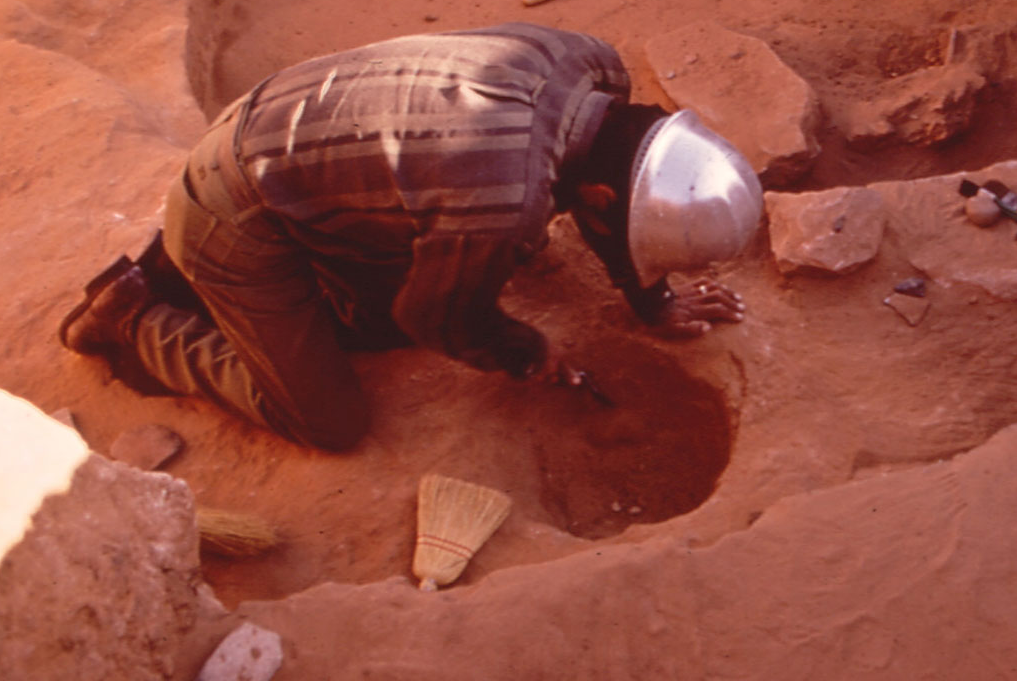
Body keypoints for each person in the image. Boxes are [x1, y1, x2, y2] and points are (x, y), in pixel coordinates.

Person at [58, 22, 762, 452]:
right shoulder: (502, 204)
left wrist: (651, 300)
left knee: (403, 302)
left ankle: (214, 275)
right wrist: (522, 350)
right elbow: (435, 319)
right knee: (330, 420)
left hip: (287, 134)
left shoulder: (589, 64)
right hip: (239, 207)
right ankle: (137, 317)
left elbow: (611, 177)